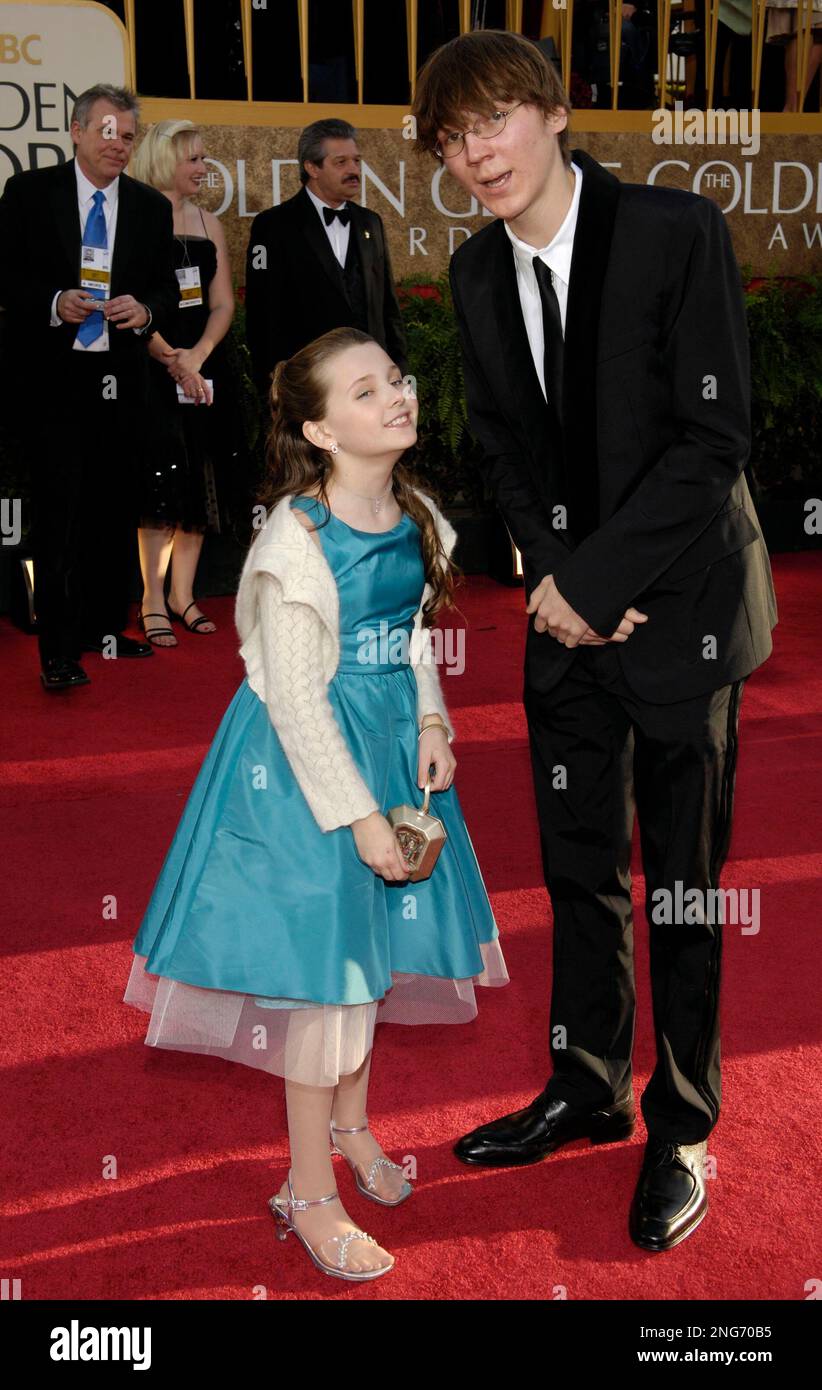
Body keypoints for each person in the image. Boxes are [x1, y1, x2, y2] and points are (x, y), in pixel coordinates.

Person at [411, 29, 777, 1252]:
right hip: (568, 620)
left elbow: (713, 441)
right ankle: (586, 1081)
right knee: (577, 872)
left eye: (494, 121)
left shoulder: (675, 235)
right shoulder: (473, 277)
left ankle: (681, 1123)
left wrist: (602, 579)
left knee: (679, 883)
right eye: (452, 139)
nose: (475, 154)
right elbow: (504, 454)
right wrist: (557, 582)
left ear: (555, 112)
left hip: (682, 619)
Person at [123, 327, 509, 1281]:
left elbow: (412, 637)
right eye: (366, 390)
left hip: (386, 748)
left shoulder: (414, 510)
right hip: (305, 777)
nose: (396, 398)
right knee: (330, 980)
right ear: (320, 429)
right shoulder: (296, 537)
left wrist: (433, 724)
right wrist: (363, 818)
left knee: (371, 958)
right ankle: (306, 1189)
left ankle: (352, 1126)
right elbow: (294, 700)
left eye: (399, 380)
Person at [0, 84, 179, 691]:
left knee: (111, 512)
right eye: (107, 132)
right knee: (60, 517)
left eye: (128, 136)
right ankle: (57, 651)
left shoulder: (152, 209)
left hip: (121, 381)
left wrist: (146, 311)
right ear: (76, 131)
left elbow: (166, 293)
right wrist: (54, 301)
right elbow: (6, 279)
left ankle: (104, 632)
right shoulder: (28, 194)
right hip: (53, 383)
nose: (118, 145)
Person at [131, 120, 235, 646]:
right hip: (150, 368)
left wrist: (198, 356)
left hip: (203, 368)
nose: (202, 168)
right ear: (163, 160)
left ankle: (183, 594)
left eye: (202, 158)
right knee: (159, 484)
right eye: (192, 158)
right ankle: (151, 598)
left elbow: (223, 303)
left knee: (200, 478)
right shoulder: (136, 219)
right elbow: (124, 303)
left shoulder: (209, 221)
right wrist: (172, 358)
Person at [243, 118, 407, 398]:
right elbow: (262, 312)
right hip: (308, 381)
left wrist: (399, 371)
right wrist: (272, 382)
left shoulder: (371, 223)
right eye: (341, 162)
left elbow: (386, 306)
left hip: (371, 377)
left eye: (356, 161)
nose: (354, 170)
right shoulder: (273, 226)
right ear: (311, 167)